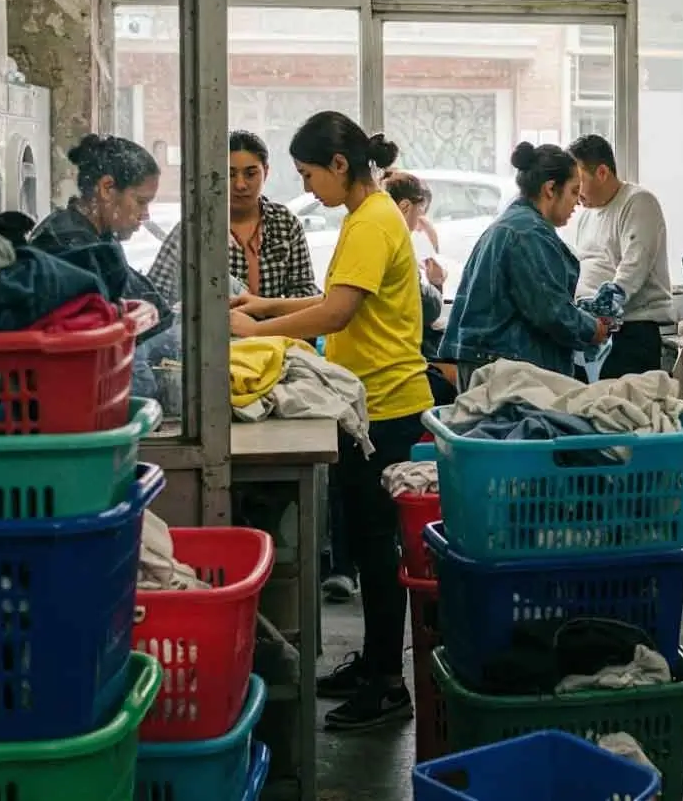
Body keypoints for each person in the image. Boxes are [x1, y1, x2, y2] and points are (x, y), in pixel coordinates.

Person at [227, 111, 434, 732]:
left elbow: (337, 315)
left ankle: (387, 682)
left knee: (375, 550)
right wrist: (262, 303)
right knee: (368, 544)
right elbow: (334, 298)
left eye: (310, 174)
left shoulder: (372, 223)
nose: (309, 187)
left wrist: (257, 329)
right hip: (369, 402)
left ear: (340, 166)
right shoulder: (363, 217)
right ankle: (373, 666)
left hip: (387, 404)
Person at [438, 142, 611, 389]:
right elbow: (551, 311)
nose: (578, 203)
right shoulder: (528, 233)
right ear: (550, 189)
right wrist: (592, 328)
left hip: (490, 363)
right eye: (574, 192)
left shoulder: (513, 224)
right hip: (506, 370)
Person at [31, 134, 178, 397]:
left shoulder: (95, 235)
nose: (145, 216)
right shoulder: (73, 248)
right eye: (141, 201)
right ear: (107, 189)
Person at [146, 130, 318, 303]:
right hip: (216, 330)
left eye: (250, 174)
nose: (240, 185)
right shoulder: (194, 229)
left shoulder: (285, 224)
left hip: (275, 328)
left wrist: (268, 314)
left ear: (265, 172)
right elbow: (156, 296)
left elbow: (305, 291)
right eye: (230, 174)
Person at [566, 134, 672, 379]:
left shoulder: (638, 202)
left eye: (578, 180)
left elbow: (634, 264)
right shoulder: (585, 216)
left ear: (602, 172)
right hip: (591, 330)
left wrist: (606, 302)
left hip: (631, 331)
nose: (574, 190)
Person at [383, 169, 457, 406]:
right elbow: (427, 307)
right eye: (420, 213)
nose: (420, 223)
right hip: (400, 355)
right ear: (405, 207)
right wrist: (436, 284)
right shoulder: (396, 242)